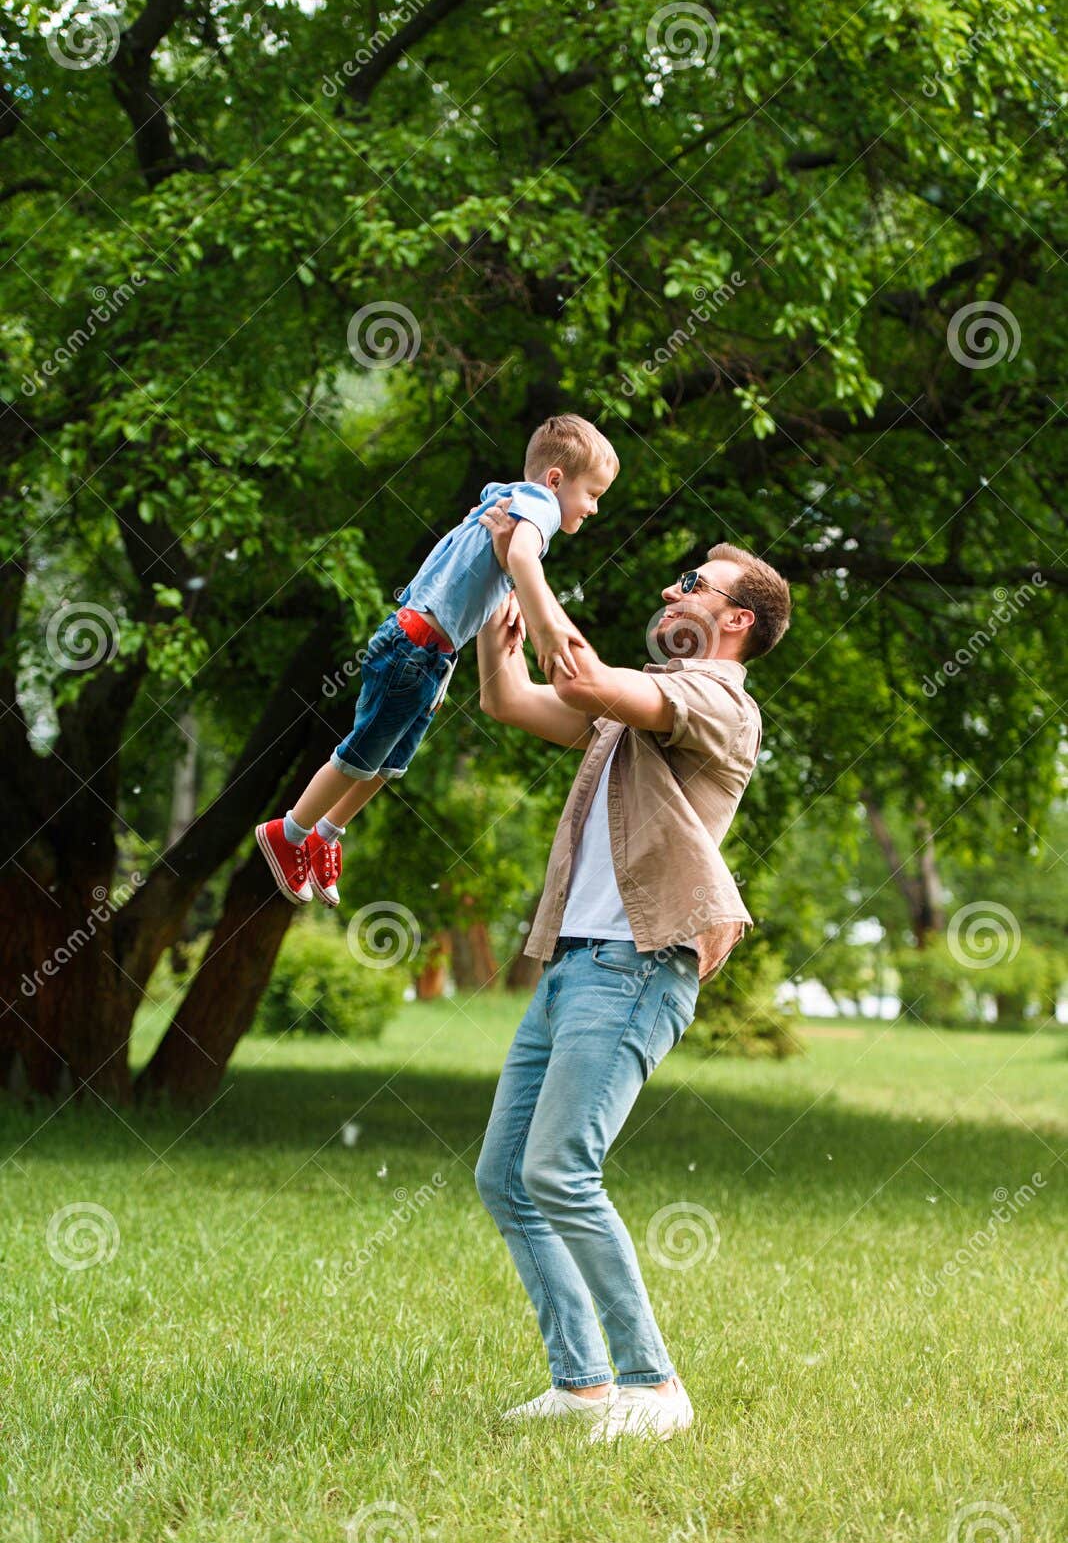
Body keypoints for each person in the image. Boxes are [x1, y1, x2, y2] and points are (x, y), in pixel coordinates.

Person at [474, 525, 791, 1441]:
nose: (669, 591)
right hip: (575, 961)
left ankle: (655, 1388)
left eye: (690, 583)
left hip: (638, 965)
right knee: (507, 1176)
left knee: (559, 1168)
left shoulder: (718, 705)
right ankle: (581, 1384)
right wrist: (499, 636)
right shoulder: (640, 705)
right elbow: (521, 703)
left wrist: (527, 562)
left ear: (733, 620)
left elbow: (576, 677)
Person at [254, 415, 618, 905]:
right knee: (359, 755)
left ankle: (325, 833)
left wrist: (504, 592)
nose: (594, 509)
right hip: (413, 649)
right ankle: (289, 833)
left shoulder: (506, 506)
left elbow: (496, 566)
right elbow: (526, 558)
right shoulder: (539, 504)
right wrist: (546, 627)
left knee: (389, 764)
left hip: (430, 657)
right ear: (556, 480)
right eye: (592, 494)